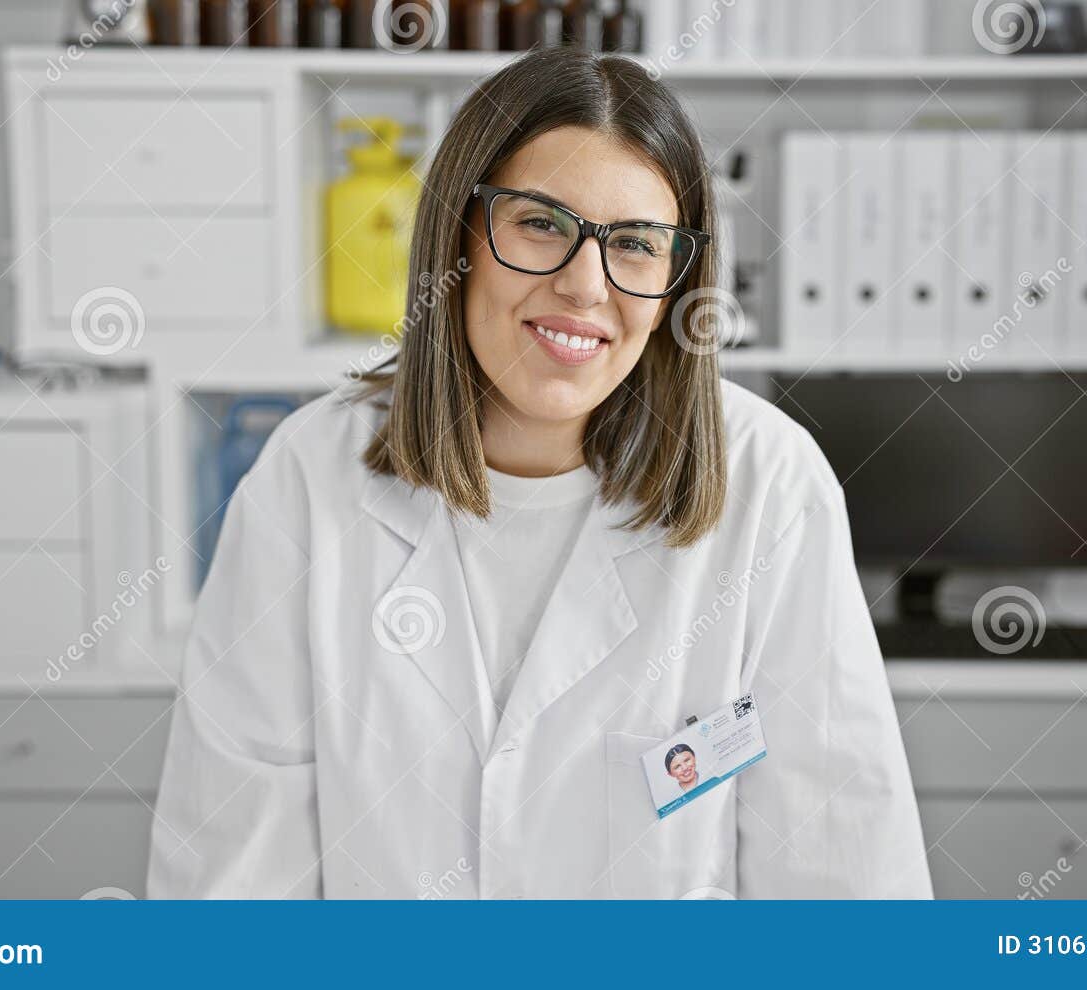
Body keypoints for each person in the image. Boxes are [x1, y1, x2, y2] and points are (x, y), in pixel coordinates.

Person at [147, 45, 930, 900]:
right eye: (541, 225)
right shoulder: (310, 475)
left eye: (635, 245)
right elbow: (235, 877)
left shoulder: (771, 484)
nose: (584, 287)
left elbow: (844, 877)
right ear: (460, 236)